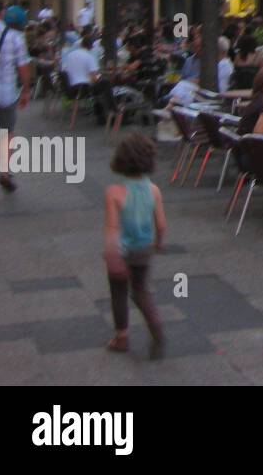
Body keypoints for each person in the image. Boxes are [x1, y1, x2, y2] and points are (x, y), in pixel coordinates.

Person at [103, 133, 166, 358]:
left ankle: (122, 337)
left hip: (122, 251)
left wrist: (111, 253)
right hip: (143, 249)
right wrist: (158, 243)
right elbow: (161, 223)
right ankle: (156, 327)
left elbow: (112, 228)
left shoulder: (114, 193)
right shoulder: (154, 191)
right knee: (140, 291)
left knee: (118, 292)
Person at [0, 0, 32, 197]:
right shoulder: (15, 37)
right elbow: (23, 66)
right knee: (7, 133)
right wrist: (26, 90)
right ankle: (6, 173)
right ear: (2, 13)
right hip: (8, 94)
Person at [60, 32, 118, 126]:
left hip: (70, 88)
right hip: (82, 89)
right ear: (91, 47)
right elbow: (94, 79)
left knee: (98, 87)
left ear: (81, 44)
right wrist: (100, 76)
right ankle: (113, 110)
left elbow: (64, 69)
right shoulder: (90, 57)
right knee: (105, 83)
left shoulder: (70, 55)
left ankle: (101, 115)